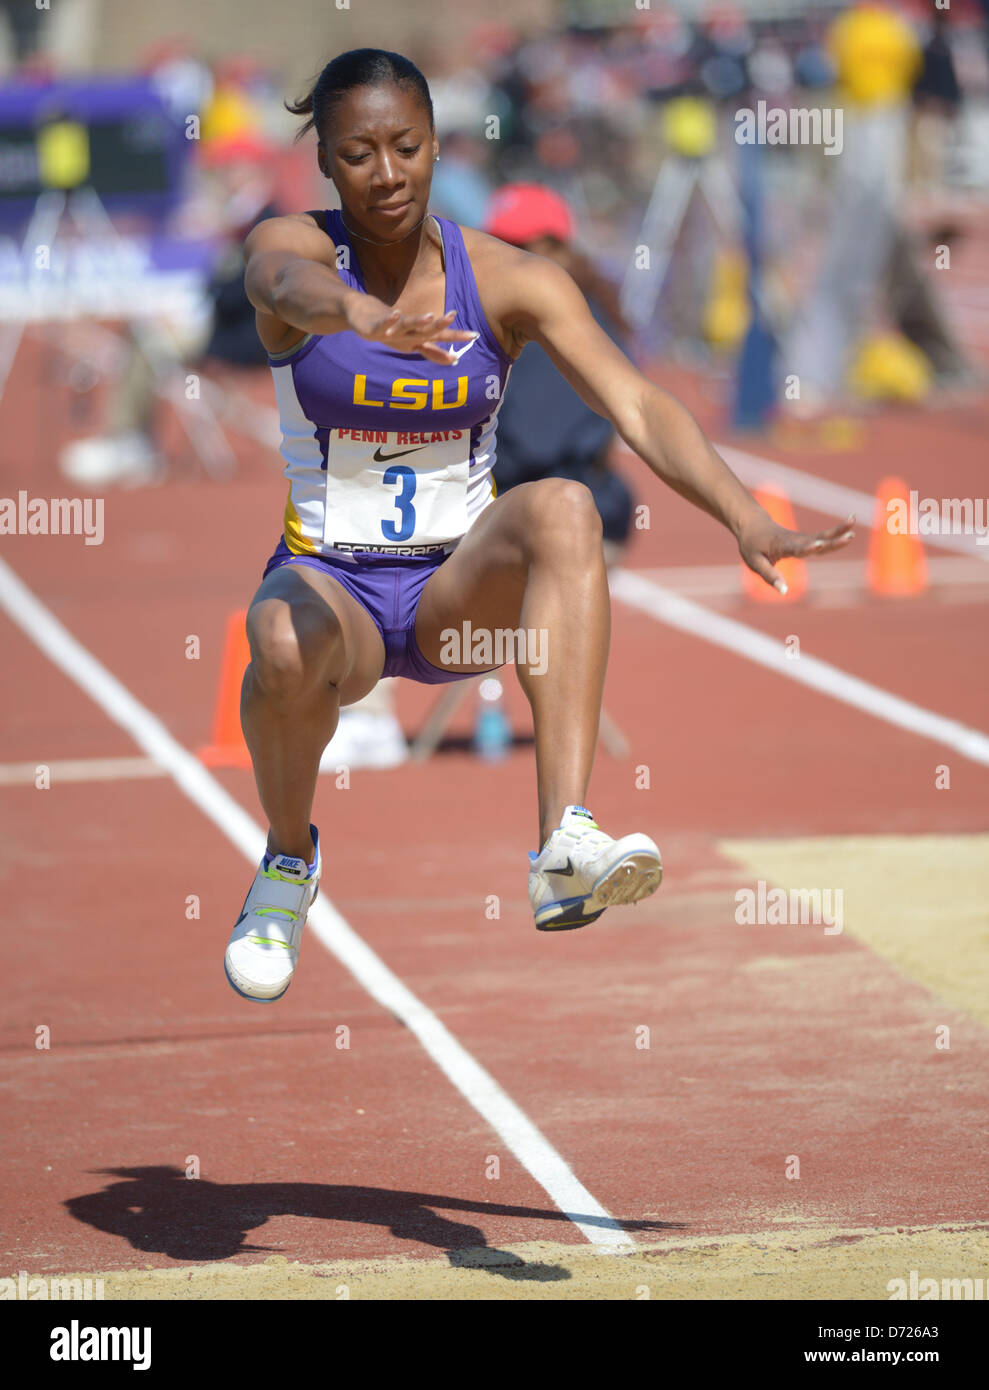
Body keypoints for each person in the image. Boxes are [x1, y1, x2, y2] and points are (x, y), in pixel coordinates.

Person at [224, 48, 853, 1003]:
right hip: (334, 592)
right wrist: (354, 312)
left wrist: (743, 515)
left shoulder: (508, 280)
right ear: (326, 163)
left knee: (563, 504)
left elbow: (636, 405)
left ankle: (563, 840)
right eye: (358, 154)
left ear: (438, 147)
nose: (385, 173)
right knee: (273, 638)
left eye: (405, 147)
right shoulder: (298, 250)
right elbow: (276, 286)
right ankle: (285, 865)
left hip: (455, 593)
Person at [484, 182, 635, 566]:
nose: (507, 259)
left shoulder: (561, 326)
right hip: (574, 504)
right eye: (496, 244)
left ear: (559, 250)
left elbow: (538, 443)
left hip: (553, 512)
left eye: (521, 247)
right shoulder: (585, 307)